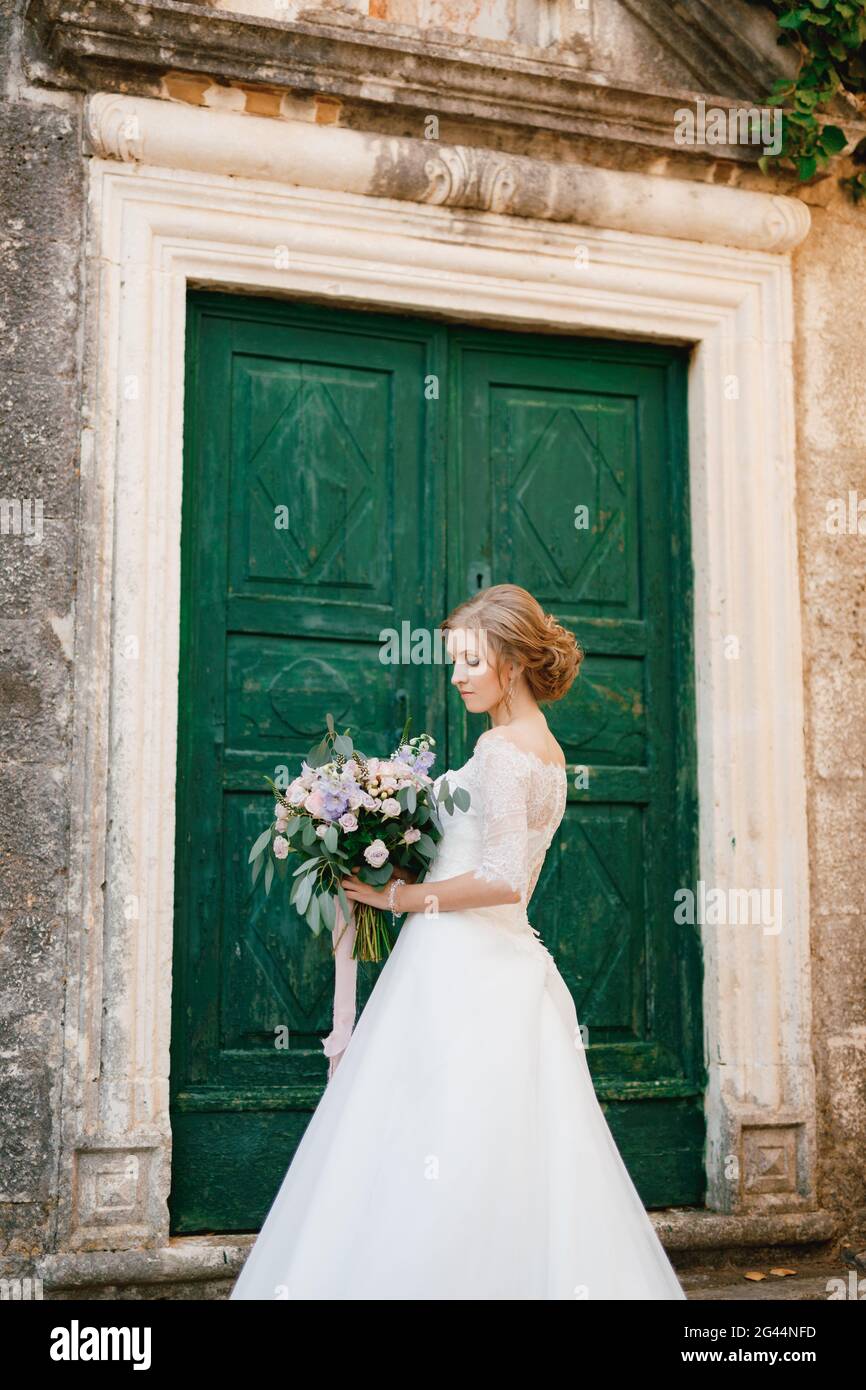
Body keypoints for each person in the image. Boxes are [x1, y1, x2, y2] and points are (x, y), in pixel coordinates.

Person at [230, 584, 687, 1300]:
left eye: (471, 661)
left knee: (429, 1137)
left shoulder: (502, 750)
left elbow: (505, 876)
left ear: (510, 660)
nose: (457, 676)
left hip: (459, 964)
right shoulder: (548, 750)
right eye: (454, 661)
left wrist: (397, 896)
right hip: (504, 964)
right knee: (495, 1149)